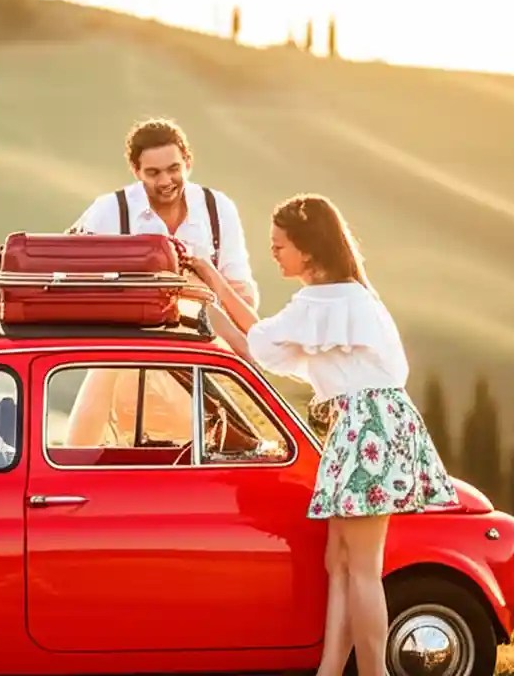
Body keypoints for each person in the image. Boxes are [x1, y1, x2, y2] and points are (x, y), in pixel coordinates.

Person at [186, 193, 459, 676]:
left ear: (308, 251)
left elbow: (254, 343)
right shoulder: (344, 295)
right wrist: (210, 284)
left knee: (363, 569)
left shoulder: (328, 299)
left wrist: (207, 301)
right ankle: (330, 669)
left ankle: (371, 672)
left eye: (279, 246)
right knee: (340, 561)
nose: (274, 253)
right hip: (365, 423)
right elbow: (262, 336)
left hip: (366, 426)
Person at [68, 117, 259, 309]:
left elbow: (242, 291)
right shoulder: (109, 210)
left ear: (188, 162)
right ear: (136, 171)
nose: (165, 181)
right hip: (131, 331)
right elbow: (70, 272)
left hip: (207, 331)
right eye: (153, 173)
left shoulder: (218, 207)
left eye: (173, 169)